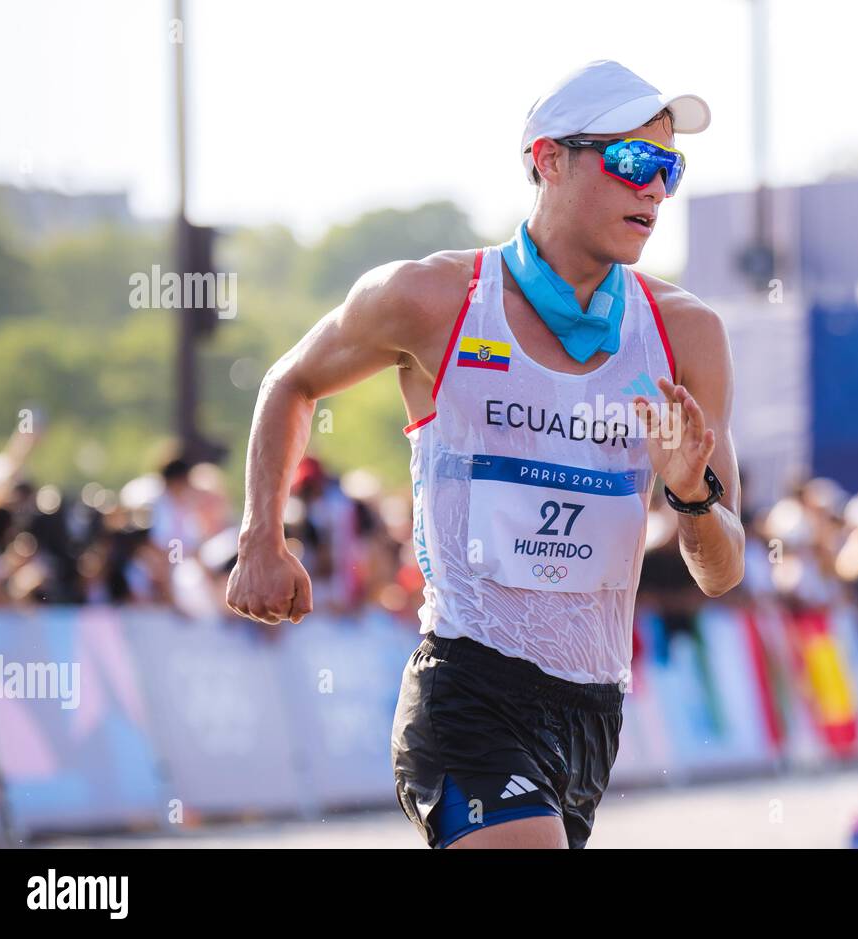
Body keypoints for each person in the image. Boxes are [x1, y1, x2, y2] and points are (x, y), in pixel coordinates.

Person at [226, 59, 744, 848]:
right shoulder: (433, 299)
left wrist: (692, 498)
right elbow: (290, 380)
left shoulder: (685, 333)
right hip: (469, 686)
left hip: (593, 710)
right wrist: (262, 538)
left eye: (671, 168)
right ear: (549, 159)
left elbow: (724, 568)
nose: (656, 191)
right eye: (634, 161)